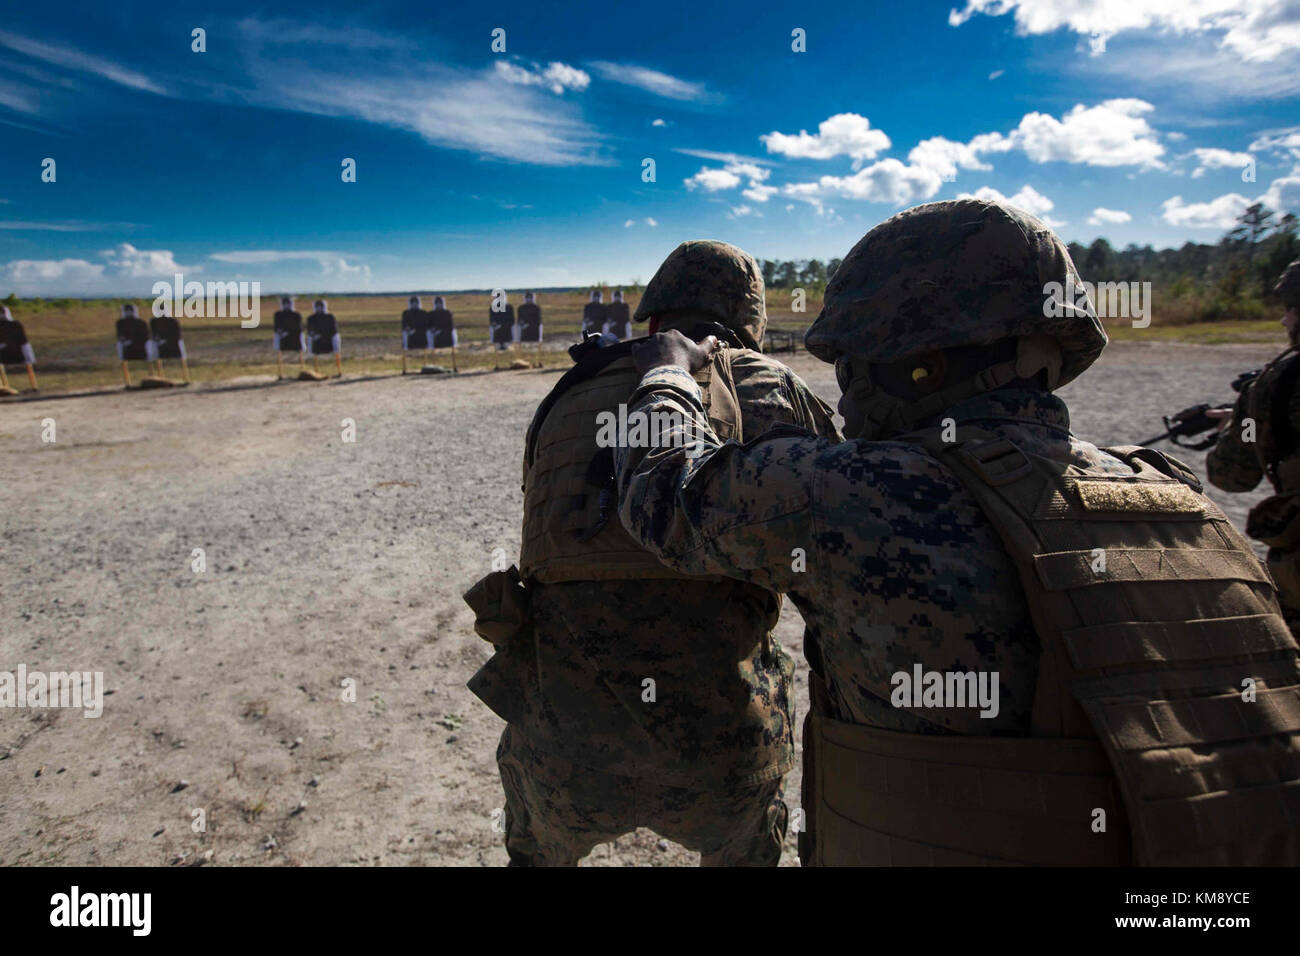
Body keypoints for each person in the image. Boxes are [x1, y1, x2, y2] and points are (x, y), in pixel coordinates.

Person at [614, 200, 1300, 866]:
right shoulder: (1181, 499)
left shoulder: (860, 492)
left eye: (853, 363)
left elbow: (667, 493)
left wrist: (669, 375)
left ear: (920, 363)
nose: (846, 398)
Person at [466, 240, 840, 866]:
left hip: (564, 746)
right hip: (724, 749)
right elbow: (831, 564)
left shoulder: (568, 391)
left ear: (654, 316)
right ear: (749, 321)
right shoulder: (775, 389)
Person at [1207, 258, 1300, 630]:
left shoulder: (1277, 381)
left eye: (1288, 309)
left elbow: (1232, 476)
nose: (1283, 320)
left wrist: (1241, 425)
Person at [0, 305, 37, 392]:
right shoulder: (16, 325)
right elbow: (25, 344)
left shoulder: (15, 326)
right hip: (14, 355)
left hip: (12, 355)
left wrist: (28, 358)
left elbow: (23, 343)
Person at [116, 303, 153, 387]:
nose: (129, 313)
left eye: (130, 310)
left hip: (140, 349)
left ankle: (151, 378)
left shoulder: (141, 323)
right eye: (127, 311)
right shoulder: (120, 323)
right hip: (128, 350)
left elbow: (145, 337)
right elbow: (120, 336)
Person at [307, 299, 342, 375]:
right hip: (316, 343)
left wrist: (322, 335)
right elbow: (309, 330)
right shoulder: (311, 318)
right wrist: (314, 335)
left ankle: (339, 370)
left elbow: (334, 331)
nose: (319, 308)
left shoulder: (330, 317)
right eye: (317, 307)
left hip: (328, 341)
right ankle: (316, 371)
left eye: (320, 306)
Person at [273, 296, 305, 377]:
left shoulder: (296, 315)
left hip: (294, 339)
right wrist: (280, 332)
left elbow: (298, 328)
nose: (286, 306)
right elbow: (276, 326)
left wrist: (287, 332)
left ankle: (302, 372)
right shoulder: (278, 315)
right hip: (282, 339)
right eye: (284, 304)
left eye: (288, 304)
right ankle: (280, 374)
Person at [401, 296, 431, 373]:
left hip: (421, 335)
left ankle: (426, 367)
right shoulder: (406, 313)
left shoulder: (423, 313)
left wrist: (416, 330)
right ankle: (405, 368)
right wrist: (407, 328)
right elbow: (404, 324)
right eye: (412, 303)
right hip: (410, 336)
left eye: (416, 303)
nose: (414, 304)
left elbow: (426, 325)